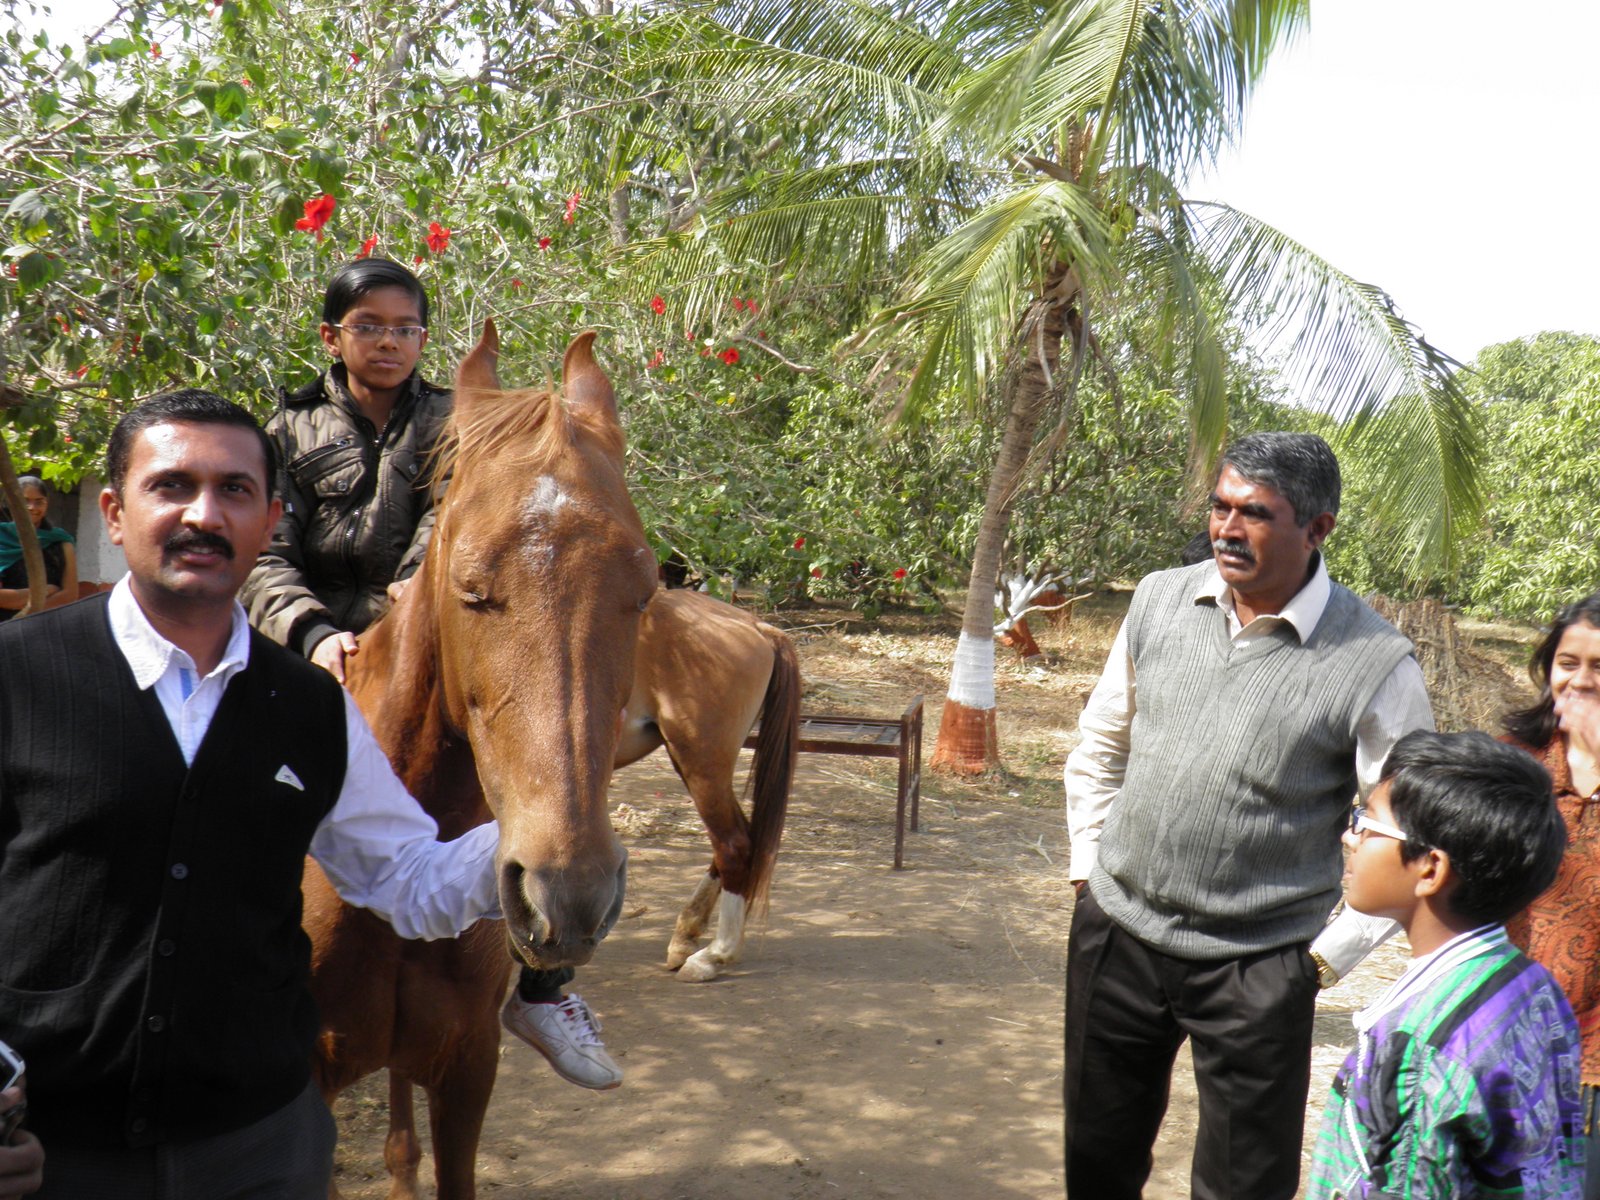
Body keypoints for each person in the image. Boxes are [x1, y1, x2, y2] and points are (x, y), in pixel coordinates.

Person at [0, 391, 504, 1197]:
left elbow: (406, 878)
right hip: (54, 1152)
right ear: (115, 511)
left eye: (234, 490)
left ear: (270, 521)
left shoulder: (310, 708)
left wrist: (542, 841)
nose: (205, 514)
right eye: (171, 486)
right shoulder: (17, 676)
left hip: (264, 1148)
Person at [239, 257, 620, 1091]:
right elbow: (266, 549)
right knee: (241, 790)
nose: (388, 342)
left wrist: (411, 604)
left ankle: (545, 985)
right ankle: (233, 964)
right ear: (332, 336)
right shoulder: (289, 429)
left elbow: (460, 529)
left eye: (405, 328)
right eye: (369, 326)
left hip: (425, 625)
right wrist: (310, 634)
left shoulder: (462, 423)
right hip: (309, 639)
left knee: (544, 769)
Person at [1063, 431, 1433, 1200]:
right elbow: (1102, 741)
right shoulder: (1161, 598)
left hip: (1260, 961)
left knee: (1246, 1181)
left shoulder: (1374, 662)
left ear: (1318, 528)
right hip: (1119, 933)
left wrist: (1324, 959)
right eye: (1220, 507)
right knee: (1098, 1157)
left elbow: (1408, 830)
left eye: (1255, 514)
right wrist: (1087, 872)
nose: (1227, 530)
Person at [1305, 730, 1583, 1199]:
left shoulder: (1415, 1054)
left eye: (1368, 824)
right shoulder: (1530, 984)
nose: (1349, 837)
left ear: (1430, 869)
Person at [1500, 590, 1600, 1198]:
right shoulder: (1513, 767)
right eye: (1569, 663)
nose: (1582, 681)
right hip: (1509, 1048)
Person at [0, 476, 76, 620]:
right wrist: (43, 591)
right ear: (11, 502)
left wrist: (28, 614)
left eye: (39, 502)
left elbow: (69, 595)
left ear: (46, 505)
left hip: (45, 625)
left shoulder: (61, 542)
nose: (32, 508)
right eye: (25, 501)